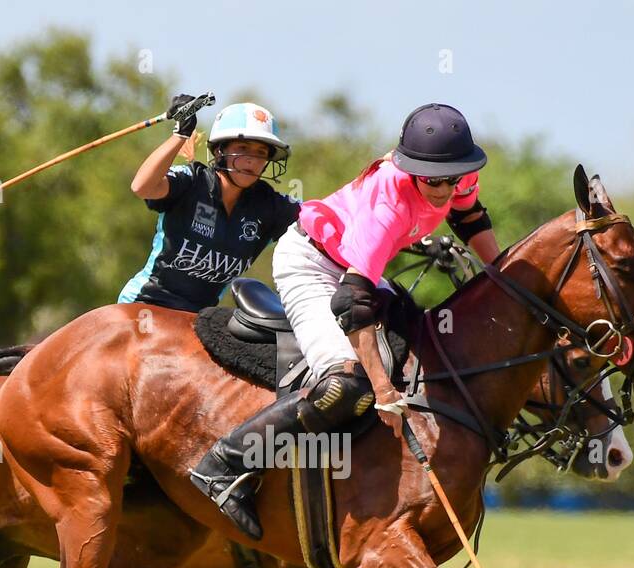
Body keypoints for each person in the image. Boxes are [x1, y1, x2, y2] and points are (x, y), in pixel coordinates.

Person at [191, 103, 501, 539]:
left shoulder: (459, 176)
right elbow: (352, 302)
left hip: (354, 272)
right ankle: (223, 464)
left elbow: (469, 217)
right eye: (432, 180)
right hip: (314, 264)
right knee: (345, 384)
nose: (444, 189)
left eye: (452, 178)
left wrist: (501, 276)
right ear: (411, 170)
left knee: (427, 345)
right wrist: (382, 388)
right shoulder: (388, 204)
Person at [118, 97, 301, 312]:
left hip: (197, 321)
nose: (252, 160)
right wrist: (180, 136)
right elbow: (142, 187)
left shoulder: (270, 206)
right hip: (146, 305)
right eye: (243, 148)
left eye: (261, 153)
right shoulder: (192, 180)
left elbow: (321, 221)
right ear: (219, 151)